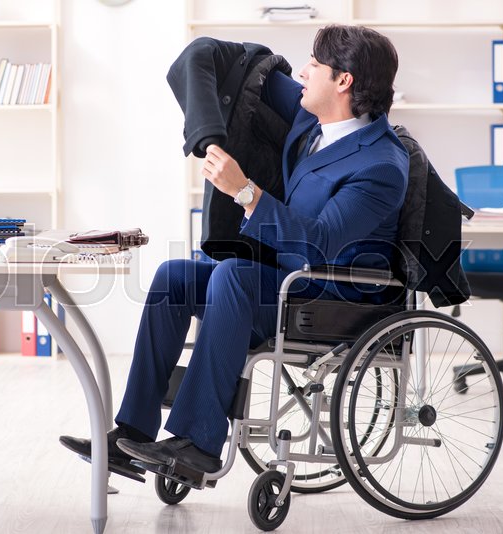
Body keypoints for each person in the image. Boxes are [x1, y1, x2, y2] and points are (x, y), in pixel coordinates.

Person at [60, 24, 409, 479]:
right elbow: (234, 64)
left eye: (315, 66)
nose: (302, 72)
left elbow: (319, 245)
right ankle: (135, 433)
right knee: (174, 276)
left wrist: (245, 192)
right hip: (277, 282)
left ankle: (199, 442)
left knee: (232, 274)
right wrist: (207, 132)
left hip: (327, 297)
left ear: (343, 81)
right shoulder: (314, 119)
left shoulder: (381, 164)